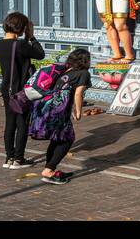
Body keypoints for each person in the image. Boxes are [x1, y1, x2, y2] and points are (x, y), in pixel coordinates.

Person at [28, 47, 92, 185]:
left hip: (46, 106)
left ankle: (49, 168)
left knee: (57, 139)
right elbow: (78, 93)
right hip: (58, 110)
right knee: (67, 139)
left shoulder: (65, 71)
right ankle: (49, 170)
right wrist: (79, 111)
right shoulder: (83, 73)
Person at [0, 12, 45, 169]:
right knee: (22, 123)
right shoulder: (21, 45)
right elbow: (40, 54)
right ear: (21, 27)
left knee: (10, 123)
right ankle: (18, 159)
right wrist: (31, 37)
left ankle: (9, 157)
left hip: (7, 89)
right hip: (21, 90)